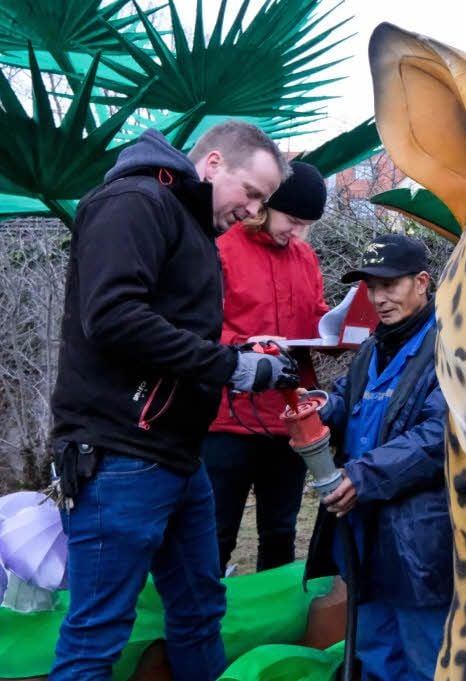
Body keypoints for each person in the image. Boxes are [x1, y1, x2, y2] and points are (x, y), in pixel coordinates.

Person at [49, 121, 300, 681]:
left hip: (180, 457)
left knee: (200, 612)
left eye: (263, 201)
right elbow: (113, 316)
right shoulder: (135, 202)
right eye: (250, 193)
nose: (253, 211)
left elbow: (171, 331)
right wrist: (229, 366)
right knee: (96, 635)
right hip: (119, 453)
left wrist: (234, 354)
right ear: (212, 164)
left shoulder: (188, 222)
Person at [304, 234, 451, 681]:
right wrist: (320, 407)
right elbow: (348, 399)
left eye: (390, 285)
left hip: (418, 533)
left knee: (426, 654)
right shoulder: (373, 346)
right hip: (362, 524)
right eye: (371, 287)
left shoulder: (450, 346)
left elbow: (440, 434)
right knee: (373, 646)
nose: (379, 298)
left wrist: (364, 476)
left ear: (421, 282)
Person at [202, 160, 330, 574]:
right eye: (293, 221)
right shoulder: (221, 249)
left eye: (306, 226)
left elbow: (315, 318)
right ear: (265, 205)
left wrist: (339, 330)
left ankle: (274, 608)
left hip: (290, 419)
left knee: (280, 530)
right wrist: (248, 346)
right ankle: (204, 611)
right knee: (216, 532)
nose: (298, 233)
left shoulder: (305, 257)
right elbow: (200, 331)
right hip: (227, 420)